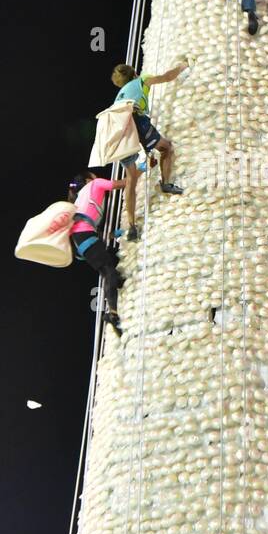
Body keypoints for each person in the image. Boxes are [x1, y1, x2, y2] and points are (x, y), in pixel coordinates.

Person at [111, 61, 187, 240]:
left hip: (120, 133)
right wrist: (182, 67)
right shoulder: (141, 80)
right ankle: (166, 183)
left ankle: (131, 226)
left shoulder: (119, 97)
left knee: (131, 179)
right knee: (166, 148)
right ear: (135, 73)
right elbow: (167, 77)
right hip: (138, 124)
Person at [68, 171, 126, 332]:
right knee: (109, 272)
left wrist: (112, 234)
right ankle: (112, 313)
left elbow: (87, 223)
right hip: (85, 236)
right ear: (88, 179)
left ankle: (118, 286)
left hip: (80, 240)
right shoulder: (95, 184)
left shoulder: (79, 199)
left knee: (111, 269)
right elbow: (123, 183)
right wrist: (140, 170)